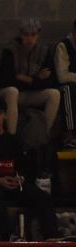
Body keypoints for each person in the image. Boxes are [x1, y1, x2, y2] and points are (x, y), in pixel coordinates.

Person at [0, 98, 59, 240]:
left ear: (5, 116)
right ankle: (9, 236)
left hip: (12, 183)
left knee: (42, 197)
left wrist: (20, 178)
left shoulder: (13, 140)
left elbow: (23, 167)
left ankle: (52, 237)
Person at [0, 18, 60, 136]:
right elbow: (7, 80)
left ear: (38, 35)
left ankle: (44, 135)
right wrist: (36, 79)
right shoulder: (10, 51)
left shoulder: (44, 52)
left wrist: (25, 78)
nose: (30, 39)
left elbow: (49, 81)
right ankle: (11, 137)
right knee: (12, 91)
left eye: (33, 35)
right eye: (26, 35)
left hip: (30, 93)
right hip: (10, 94)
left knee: (54, 94)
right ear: (21, 35)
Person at [54, 18, 76, 149]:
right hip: (65, 87)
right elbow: (62, 76)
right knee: (69, 89)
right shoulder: (63, 46)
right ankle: (69, 133)